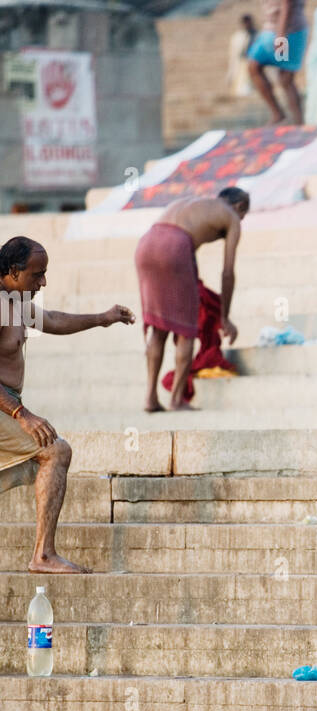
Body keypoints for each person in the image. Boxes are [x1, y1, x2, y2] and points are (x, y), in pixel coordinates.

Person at [0, 235, 134, 574]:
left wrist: (102, 318)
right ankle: (43, 555)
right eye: (36, 274)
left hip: (9, 404)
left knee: (40, 463)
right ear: (13, 272)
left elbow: (53, 320)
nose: (43, 282)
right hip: (6, 407)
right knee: (55, 452)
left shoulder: (14, 301)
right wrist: (22, 414)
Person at [133, 187, 249, 413]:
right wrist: (225, 316)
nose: (241, 220)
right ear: (239, 207)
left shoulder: (194, 202)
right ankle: (176, 399)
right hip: (175, 247)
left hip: (146, 243)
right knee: (186, 330)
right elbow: (227, 272)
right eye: (244, 215)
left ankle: (150, 398)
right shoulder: (231, 216)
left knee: (158, 327)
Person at [247, 0, 308, 124]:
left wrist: (281, 35)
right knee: (265, 70)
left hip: (286, 31)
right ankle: (282, 115)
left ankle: (292, 119)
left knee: (280, 75)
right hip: (276, 29)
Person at [225, 14, 256, 99]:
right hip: (241, 66)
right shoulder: (237, 37)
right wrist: (230, 75)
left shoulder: (258, 36)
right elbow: (233, 57)